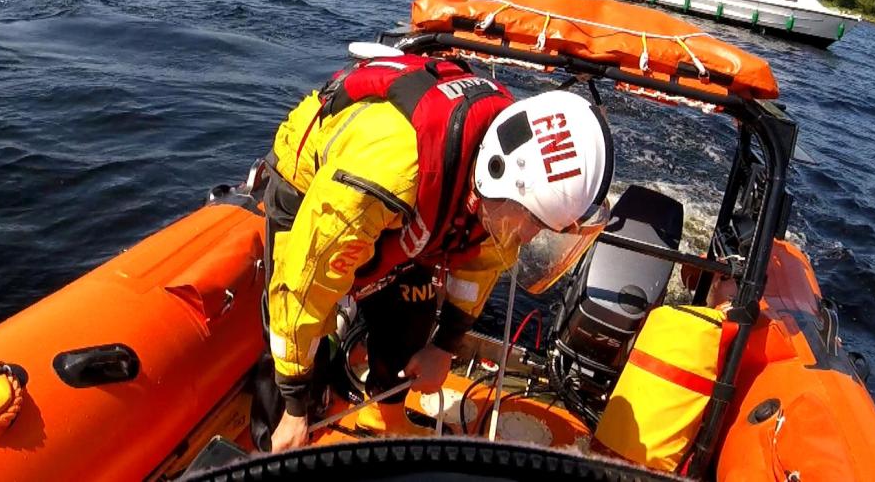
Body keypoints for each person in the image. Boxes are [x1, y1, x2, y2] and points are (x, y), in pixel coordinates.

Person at [258, 53, 614, 452]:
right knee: (291, 329)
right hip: (314, 183)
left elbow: (481, 264)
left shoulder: (501, 189)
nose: (529, 237)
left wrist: (445, 346)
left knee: (415, 304)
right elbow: (303, 288)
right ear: (493, 181)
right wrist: (294, 408)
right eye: (531, 221)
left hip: (413, 208)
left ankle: (386, 414)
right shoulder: (382, 178)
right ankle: (278, 430)